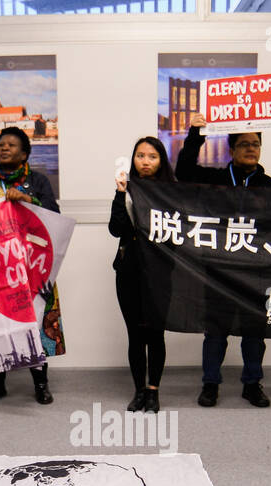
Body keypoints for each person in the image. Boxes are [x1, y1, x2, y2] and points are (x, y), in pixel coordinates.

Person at [176, 116, 271, 408]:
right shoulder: (215, 180)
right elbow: (183, 172)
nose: (251, 149)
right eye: (244, 144)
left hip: (256, 273)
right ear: (231, 149)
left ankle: (252, 384)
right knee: (215, 333)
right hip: (218, 272)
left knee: (255, 334)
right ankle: (210, 384)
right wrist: (196, 132)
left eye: (255, 144)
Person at [0, 126, 62, 404]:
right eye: (0, 144)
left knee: (32, 321)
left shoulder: (38, 180)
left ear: (25, 153)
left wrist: (28, 200)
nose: (4, 148)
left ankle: (41, 384)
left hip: (30, 267)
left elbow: (54, 216)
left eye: (11, 145)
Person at [110, 136, 173, 413]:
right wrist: (121, 192)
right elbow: (116, 229)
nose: (145, 161)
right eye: (140, 156)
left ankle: (153, 391)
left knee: (155, 334)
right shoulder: (128, 189)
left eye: (152, 156)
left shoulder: (171, 192)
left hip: (160, 273)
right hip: (129, 270)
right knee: (135, 335)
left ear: (161, 161)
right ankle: (138, 391)